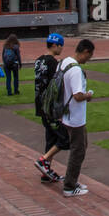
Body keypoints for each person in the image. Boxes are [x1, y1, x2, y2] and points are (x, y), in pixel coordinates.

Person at [60, 39, 96, 198]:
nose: (89, 59)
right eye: (90, 55)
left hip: (67, 114)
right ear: (86, 51)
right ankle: (69, 185)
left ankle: (72, 180)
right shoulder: (75, 70)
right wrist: (88, 95)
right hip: (75, 117)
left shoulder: (65, 62)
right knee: (78, 150)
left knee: (80, 146)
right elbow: (77, 95)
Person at [33, 33, 70, 185]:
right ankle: (43, 161)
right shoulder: (53, 63)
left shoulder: (38, 60)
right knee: (64, 139)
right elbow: (57, 84)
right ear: (55, 45)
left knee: (51, 138)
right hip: (50, 106)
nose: (61, 49)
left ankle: (46, 172)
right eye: (61, 46)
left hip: (40, 104)